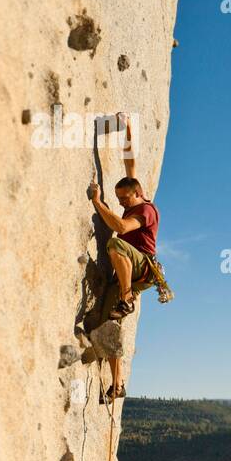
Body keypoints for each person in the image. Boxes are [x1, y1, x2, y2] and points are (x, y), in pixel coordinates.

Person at [88, 113, 160, 404]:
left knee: (116, 245)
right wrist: (128, 129)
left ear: (138, 194)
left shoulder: (144, 211)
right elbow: (130, 162)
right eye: (118, 201)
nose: (121, 205)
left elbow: (119, 228)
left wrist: (97, 202)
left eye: (124, 200)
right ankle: (117, 385)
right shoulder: (134, 194)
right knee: (108, 324)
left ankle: (126, 299)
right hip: (128, 272)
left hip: (141, 265)